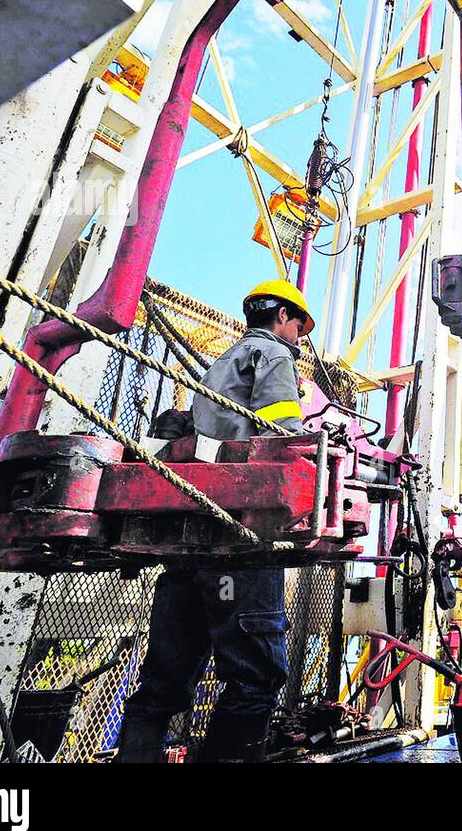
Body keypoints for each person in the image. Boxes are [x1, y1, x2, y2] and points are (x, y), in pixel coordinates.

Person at [115, 280, 314, 763]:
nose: (297, 338)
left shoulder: (216, 366)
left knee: (164, 678)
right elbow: (282, 430)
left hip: (188, 548)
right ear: (283, 317)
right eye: (298, 327)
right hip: (238, 548)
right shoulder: (274, 356)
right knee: (254, 677)